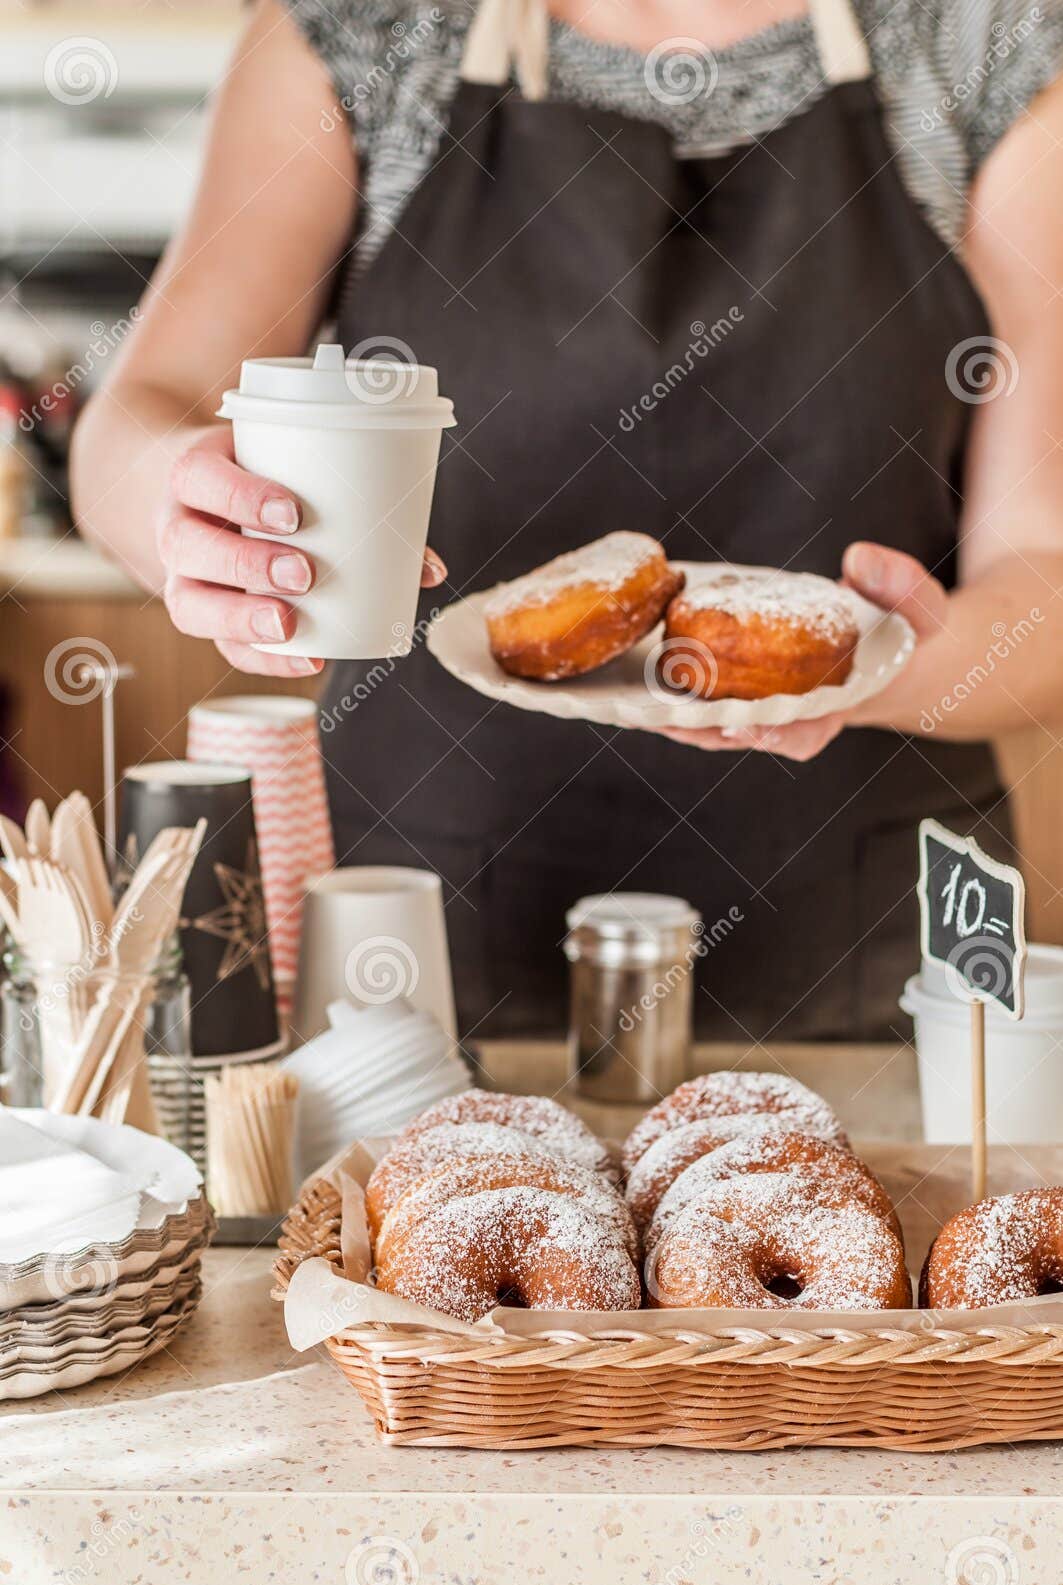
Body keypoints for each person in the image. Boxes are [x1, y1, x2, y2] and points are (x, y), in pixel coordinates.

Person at [72, 0, 1063, 1039]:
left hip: (872, 968)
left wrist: (907, 664)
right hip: (420, 949)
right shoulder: (365, 33)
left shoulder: (978, 44)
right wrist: (175, 503)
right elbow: (136, 421)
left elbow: (1043, 565)